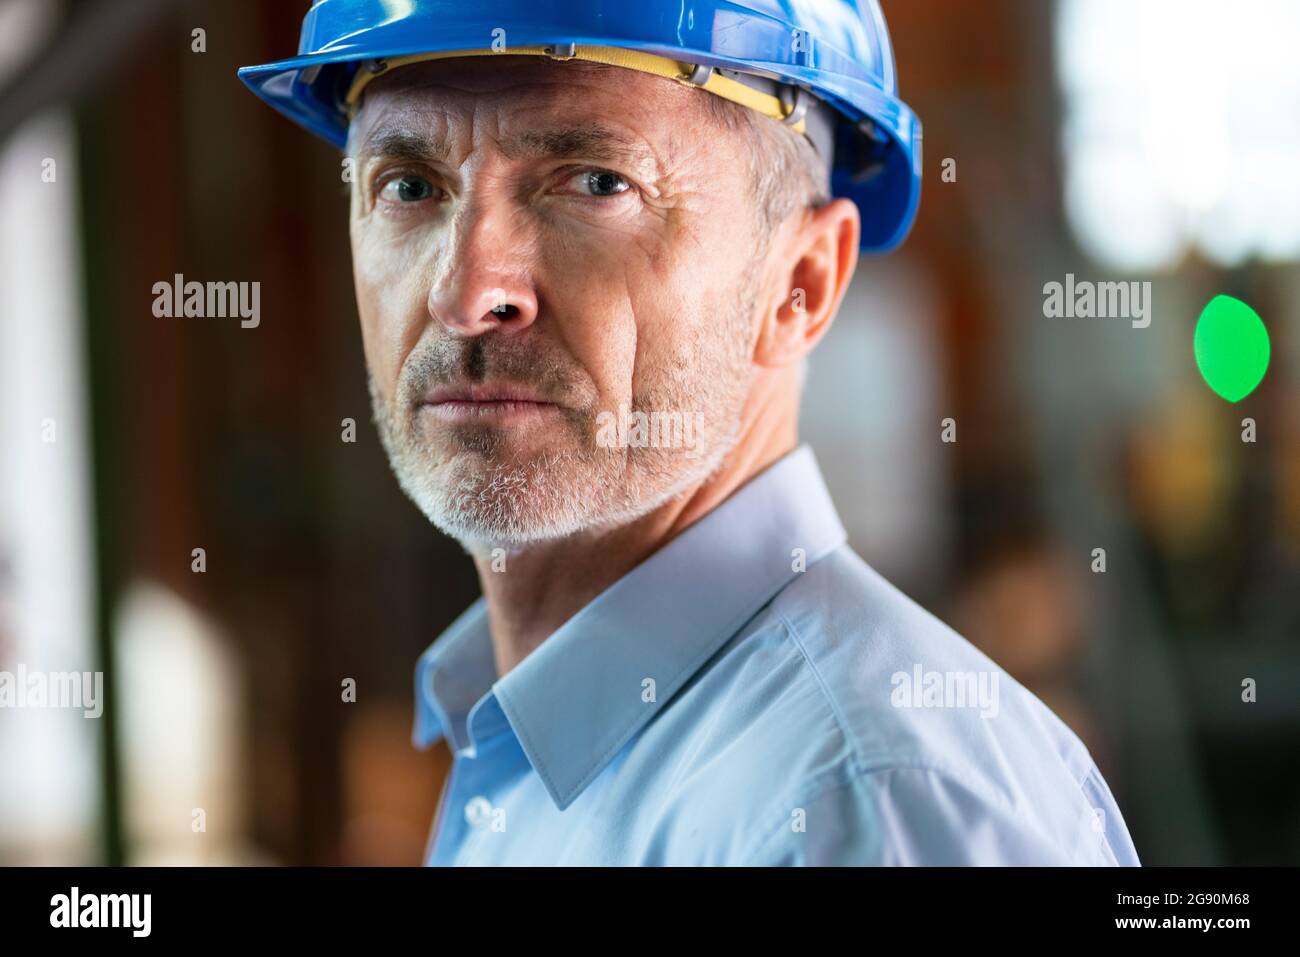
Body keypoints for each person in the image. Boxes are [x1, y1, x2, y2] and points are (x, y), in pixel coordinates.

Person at [239, 0, 1139, 866]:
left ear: (802, 283)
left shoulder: (869, 809)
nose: (467, 293)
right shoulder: (521, 735)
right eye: (409, 185)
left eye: (595, 183)